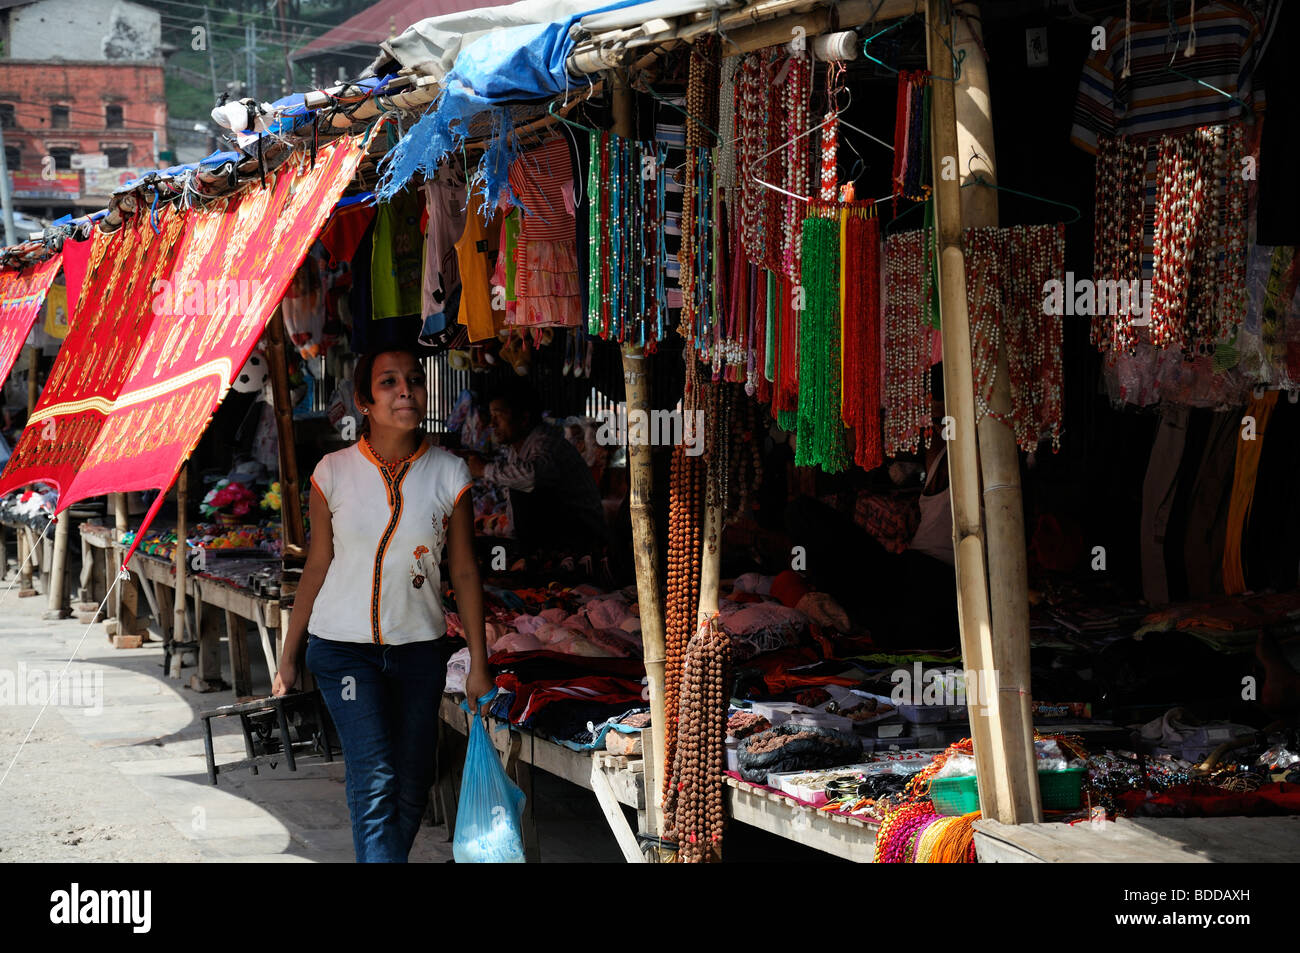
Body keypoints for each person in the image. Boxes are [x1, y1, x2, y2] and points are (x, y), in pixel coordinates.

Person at [274, 346, 493, 863]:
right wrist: (290, 652)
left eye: (413, 381)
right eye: (388, 383)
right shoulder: (331, 473)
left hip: (420, 650)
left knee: (414, 780)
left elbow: (463, 571)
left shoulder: (450, 474)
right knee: (376, 777)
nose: (405, 391)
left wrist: (479, 665)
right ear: (363, 402)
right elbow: (318, 564)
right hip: (343, 649)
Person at [466, 378, 607, 553]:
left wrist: (484, 470)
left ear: (524, 419)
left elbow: (533, 477)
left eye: (499, 416)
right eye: (492, 416)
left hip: (582, 539)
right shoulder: (516, 449)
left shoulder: (546, 443)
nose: (492, 424)